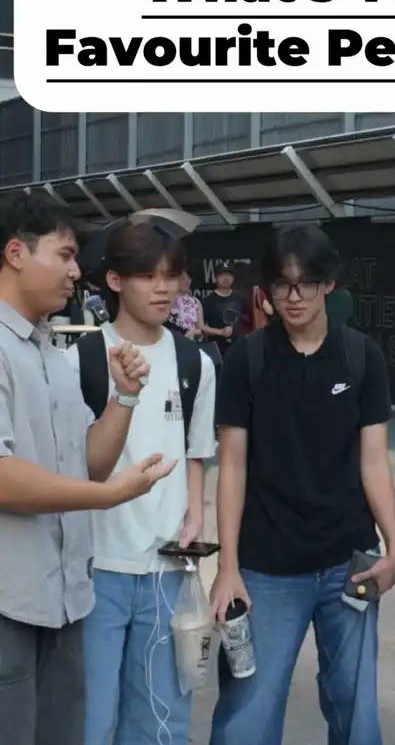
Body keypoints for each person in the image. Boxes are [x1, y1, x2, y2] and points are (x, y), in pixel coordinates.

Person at [209, 223, 395, 745]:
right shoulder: (247, 359)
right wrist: (227, 567)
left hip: (350, 561)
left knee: (356, 709)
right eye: (282, 285)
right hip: (267, 566)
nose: (293, 297)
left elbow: (373, 462)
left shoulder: (361, 356)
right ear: (267, 290)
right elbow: (232, 467)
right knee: (247, 713)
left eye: (306, 284)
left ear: (328, 285)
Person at [0, 195, 175, 745]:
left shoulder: (51, 353)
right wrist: (111, 496)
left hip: (64, 601)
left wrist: (124, 398)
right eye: (65, 254)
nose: (77, 272)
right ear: (15, 254)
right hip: (8, 603)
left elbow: (90, 463)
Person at [65, 221, 217, 745]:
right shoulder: (82, 358)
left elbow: (196, 454)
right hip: (95, 568)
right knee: (90, 719)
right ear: (114, 280)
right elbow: (75, 465)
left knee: (161, 719)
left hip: (166, 568)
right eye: (147, 276)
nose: (163, 288)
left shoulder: (195, 362)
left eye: (171, 276)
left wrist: (195, 516)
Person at [201, 261, 250, 358]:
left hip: (238, 347)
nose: (226, 278)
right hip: (216, 349)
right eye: (222, 275)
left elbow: (248, 320)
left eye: (229, 275)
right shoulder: (207, 301)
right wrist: (220, 332)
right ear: (216, 277)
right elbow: (202, 327)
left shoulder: (240, 297)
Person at [169, 270, 205, 340]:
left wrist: (192, 332)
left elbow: (201, 329)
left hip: (190, 341)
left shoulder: (196, 302)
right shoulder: (168, 300)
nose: (186, 281)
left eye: (188, 279)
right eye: (183, 279)